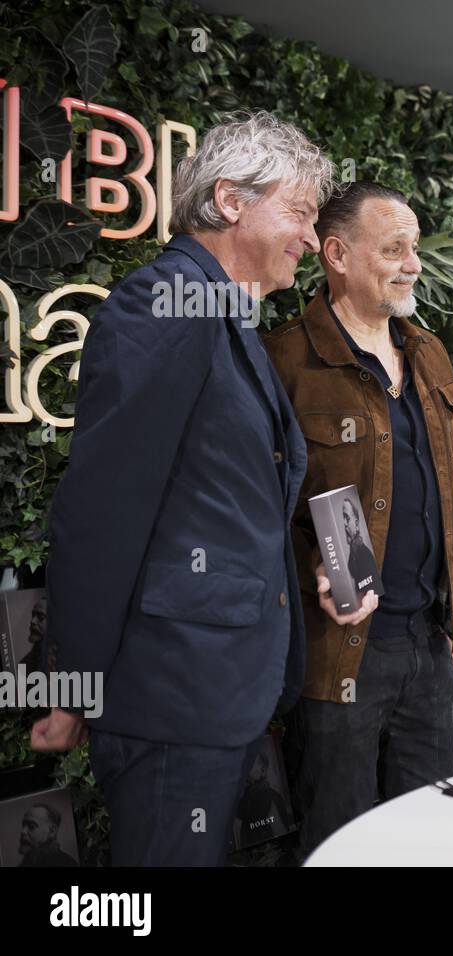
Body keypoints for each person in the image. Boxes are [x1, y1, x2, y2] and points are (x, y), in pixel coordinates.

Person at [33, 112, 336, 866]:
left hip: (219, 690)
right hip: (171, 695)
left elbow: (228, 507)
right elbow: (101, 512)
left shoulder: (226, 318)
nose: (309, 238)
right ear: (231, 201)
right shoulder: (166, 304)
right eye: (298, 212)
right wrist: (74, 687)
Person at [264, 182, 453, 858]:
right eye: (393, 249)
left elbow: (449, 491)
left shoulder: (428, 352)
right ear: (336, 254)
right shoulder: (283, 362)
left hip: (428, 643)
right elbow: (257, 514)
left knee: (425, 838)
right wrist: (315, 569)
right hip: (338, 654)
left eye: (413, 248)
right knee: (341, 842)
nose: (412, 263)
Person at [341, 497, 379, 597]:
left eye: (347, 518)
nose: (344, 523)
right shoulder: (354, 550)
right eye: (343, 518)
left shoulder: (364, 555)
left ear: (357, 524)